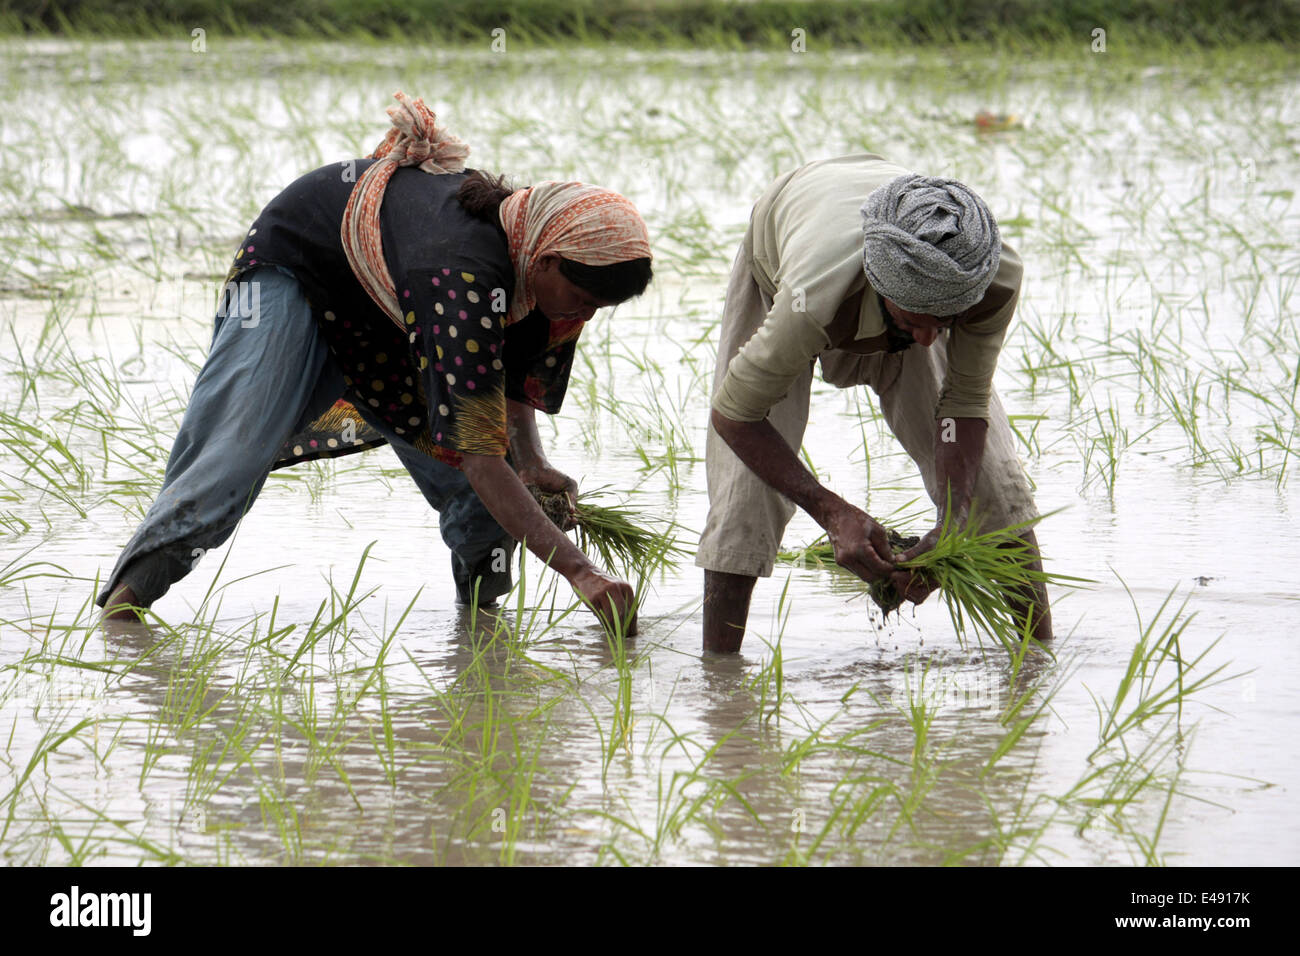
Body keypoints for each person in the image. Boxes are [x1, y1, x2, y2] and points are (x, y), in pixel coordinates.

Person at [98, 93, 652, 632]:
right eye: (583, 300)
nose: (585, 315)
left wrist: (531, 461)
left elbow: (509, 379)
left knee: (488, 493)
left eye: (598, 307)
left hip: (396, 301)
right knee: (232, 459)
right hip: (303, 269)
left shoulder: (546, 279)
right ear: (548, 260)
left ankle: (480, 633)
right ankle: (120, 617)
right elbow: (478, 454)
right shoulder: (460, 276)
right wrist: (583, 573)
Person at [698, 153, 1051, 653]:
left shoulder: (985, 277)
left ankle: (1037, 661)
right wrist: (831, 511)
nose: (931, 339)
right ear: (883, 285)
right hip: (790, 251)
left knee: (993, 486)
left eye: (946, 321)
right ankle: (720, 681)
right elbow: (734, 414)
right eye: (920, 318)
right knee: (744, 496)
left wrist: (955, 517)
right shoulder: (809, 294)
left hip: (915, 279)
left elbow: (963, 407)